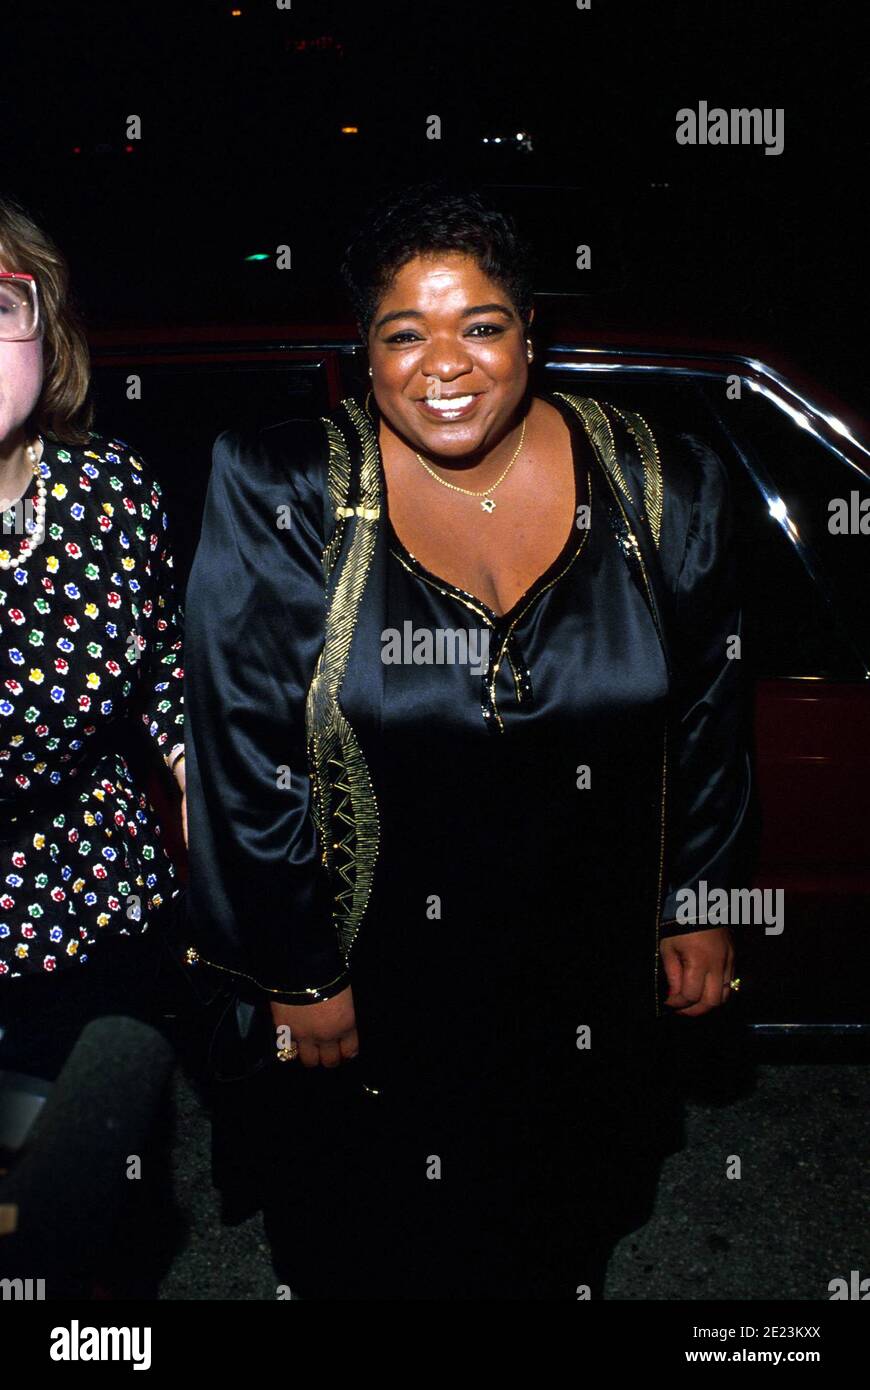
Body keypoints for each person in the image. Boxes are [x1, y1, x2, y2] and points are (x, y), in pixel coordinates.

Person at [183, 181, 752, 1299]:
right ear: (364, 352)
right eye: (406, 333)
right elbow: (244, 741)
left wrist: (703, 905)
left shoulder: (661, 480)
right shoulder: (287, 483)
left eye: (481, 326)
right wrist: (298, 974)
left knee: (557, 1232)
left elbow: (708, 715)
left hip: (580, 973)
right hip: (377, 982)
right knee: (370, 1242)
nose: (446, 364)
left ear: (530, 335)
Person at [0, 197, 187, 1084]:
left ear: (45, 324)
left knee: (76, 1188)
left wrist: (198, 777)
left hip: (98, 893)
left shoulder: (110, 486)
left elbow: (159, 664)